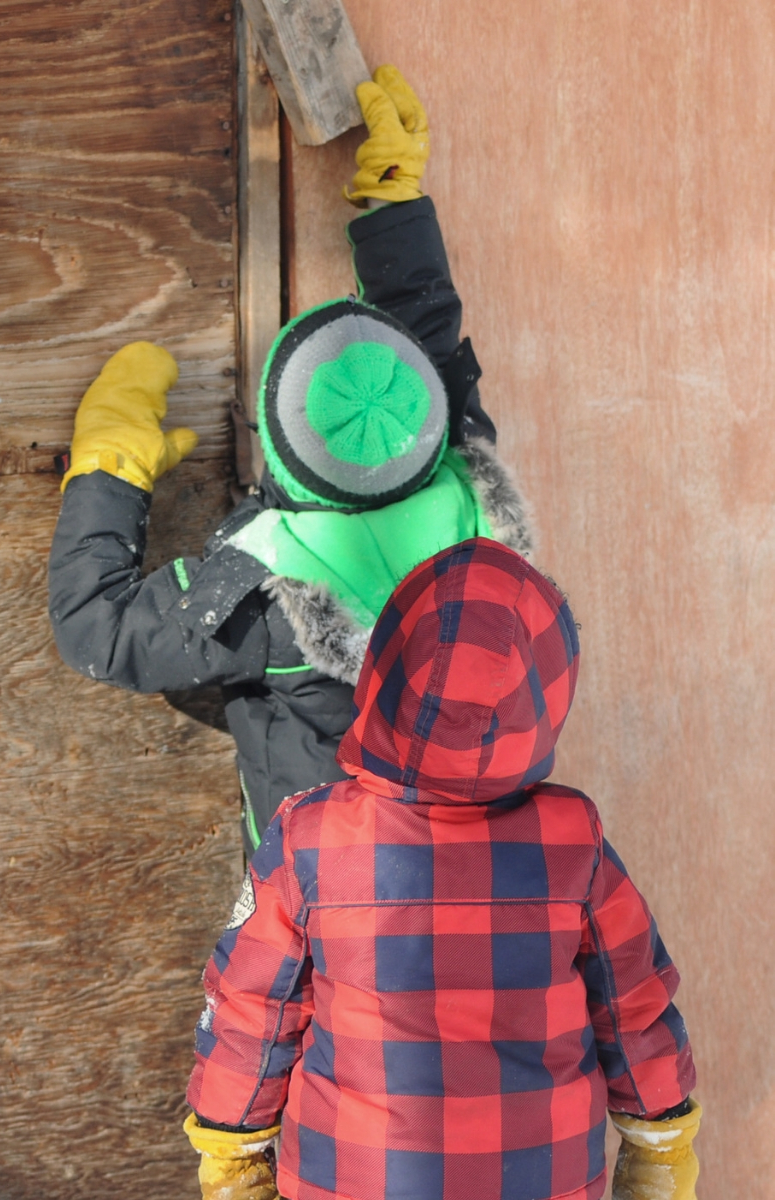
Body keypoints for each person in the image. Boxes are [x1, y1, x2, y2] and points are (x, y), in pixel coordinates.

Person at [48, 67, 532, 856]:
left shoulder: (276, 602)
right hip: (458, 866)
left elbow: (96, 632)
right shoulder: (468, 499)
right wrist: (395, 202)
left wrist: (109, 465)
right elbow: (427, 351)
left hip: (313, 909)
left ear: (277, 456)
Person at [182, 538, 701, 1200]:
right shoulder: (573, 842)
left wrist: (232, 1147)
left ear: (382, 672)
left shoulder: (309, 839)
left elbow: (252, 1008)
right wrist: (662, 1142)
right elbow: (635, 1005)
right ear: (546, 695)